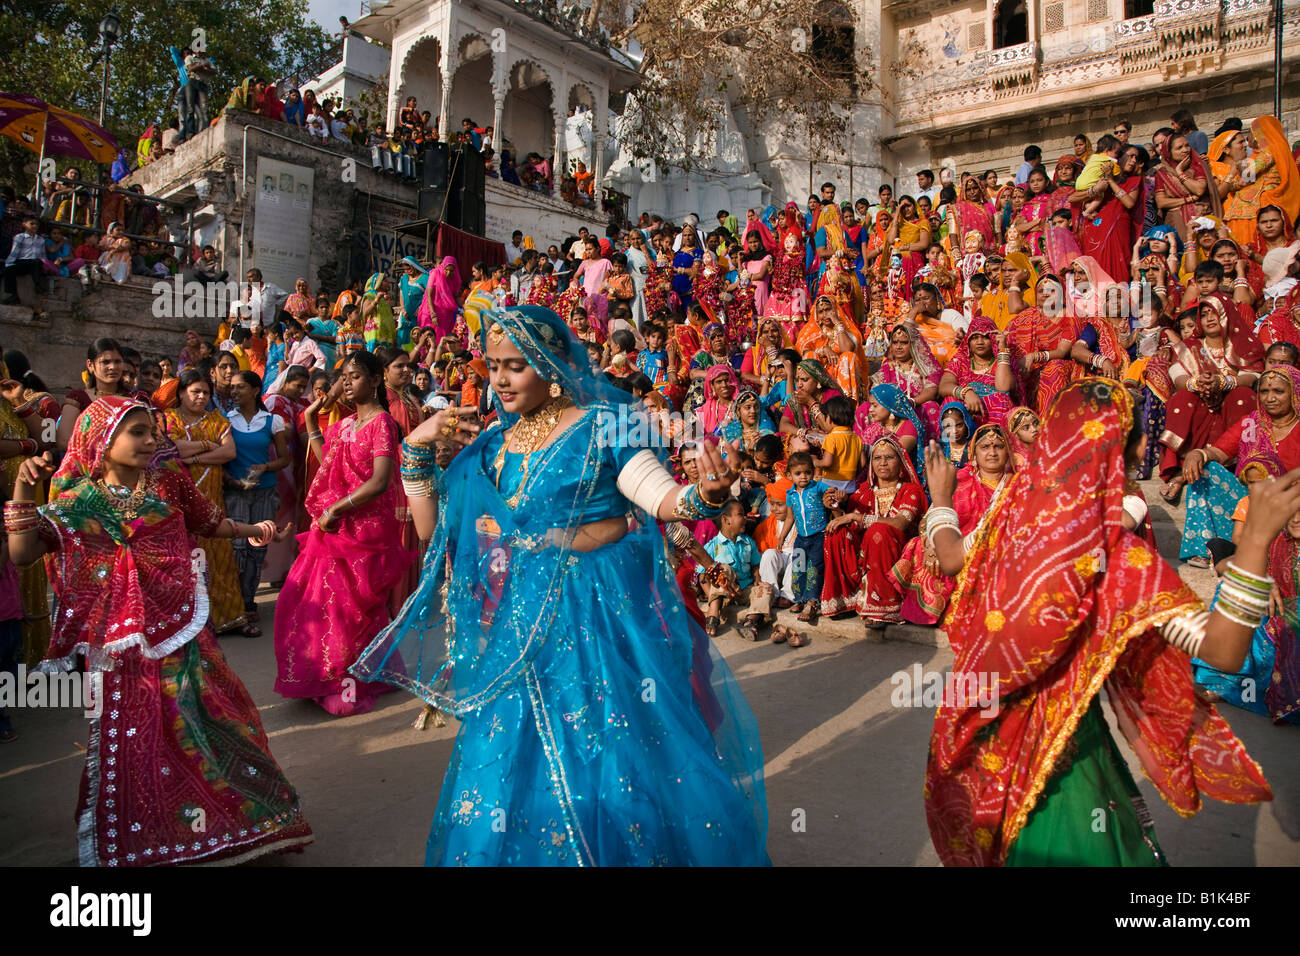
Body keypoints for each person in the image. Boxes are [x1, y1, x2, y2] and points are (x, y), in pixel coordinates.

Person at [349, 305, 767, 865]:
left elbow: (662, 500)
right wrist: (417, 449)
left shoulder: (603, 425)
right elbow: (432, 530)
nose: (498, 379)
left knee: (613, 745)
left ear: (549, 365)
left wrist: (707, 497)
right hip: (518, 623)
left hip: (595, 615)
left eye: (515, 366)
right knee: (508, 754)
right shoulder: (495, 444)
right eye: (493, 366)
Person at [923, 378, 1282, 866]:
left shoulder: (1008, 512)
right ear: (1126, 456)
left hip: (976, 752)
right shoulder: (1111, 557)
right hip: (1064, 767)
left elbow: (948, 558)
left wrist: (941, 497)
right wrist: (1257, 540)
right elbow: (1223, 651)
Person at [8, 396, 311, 865]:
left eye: (153, 431)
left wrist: (257, 527)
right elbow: (23, 554)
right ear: (101, 442)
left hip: (180, 635)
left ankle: (227, 824)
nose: (153, 441)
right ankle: (148, 834)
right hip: (113, 650)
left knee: (204, 718)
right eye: (138, 433)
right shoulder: (74, 506)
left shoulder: (161, 503)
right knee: (131, 738)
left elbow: (208, 525)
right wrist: (25, 494)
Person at [274, 351, 414, 716]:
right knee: (321, 602)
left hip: (363, 527)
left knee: (351, 607)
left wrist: (335, 509)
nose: (347, 383)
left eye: (353, 376)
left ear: (375, 380)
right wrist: (310, 418)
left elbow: (380, 481)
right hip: (337, 524)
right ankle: (326, 674)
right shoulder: (348, 423)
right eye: (343, 377)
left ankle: (347, 681)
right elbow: (330, 464)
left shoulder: (382, 423)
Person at [162, 370, 247, 634]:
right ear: (181, 394)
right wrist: (207, 445)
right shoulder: (169, 418)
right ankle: (188, 624)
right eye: (195, 391)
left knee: (220, 559)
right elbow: (172, 448)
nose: (201, 397)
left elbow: (229, 451)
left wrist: (194, 457)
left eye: (206, 393)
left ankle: (227, 619)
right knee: (185, 561)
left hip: (211, 497)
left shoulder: (218, 420)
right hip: (178, 501)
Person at [821, 434, 925, 624]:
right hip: (867, 555)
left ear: (900, 462)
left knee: (879, 533)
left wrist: (857, 517)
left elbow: (901, 523)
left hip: (900, 555)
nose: (883, 463)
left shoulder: (910, 490)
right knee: (836, 534)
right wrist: (835, 510)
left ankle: (885, 607)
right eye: (877, 458)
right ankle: (847, 600)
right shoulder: (863, 491)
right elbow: (850, 527)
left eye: (889, 457)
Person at [224, 370, 290, 634]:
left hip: (264, 490)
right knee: (237, 546)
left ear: (254, 390)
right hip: (235, 490)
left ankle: (248, 601)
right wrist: (231, 481)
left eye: (240, 387)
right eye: (232, 388)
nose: (235, 392)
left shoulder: (272, 421)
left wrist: (265, 467)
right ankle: (236, 602)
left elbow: (284, 459)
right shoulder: (226, 420)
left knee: (257, 546)